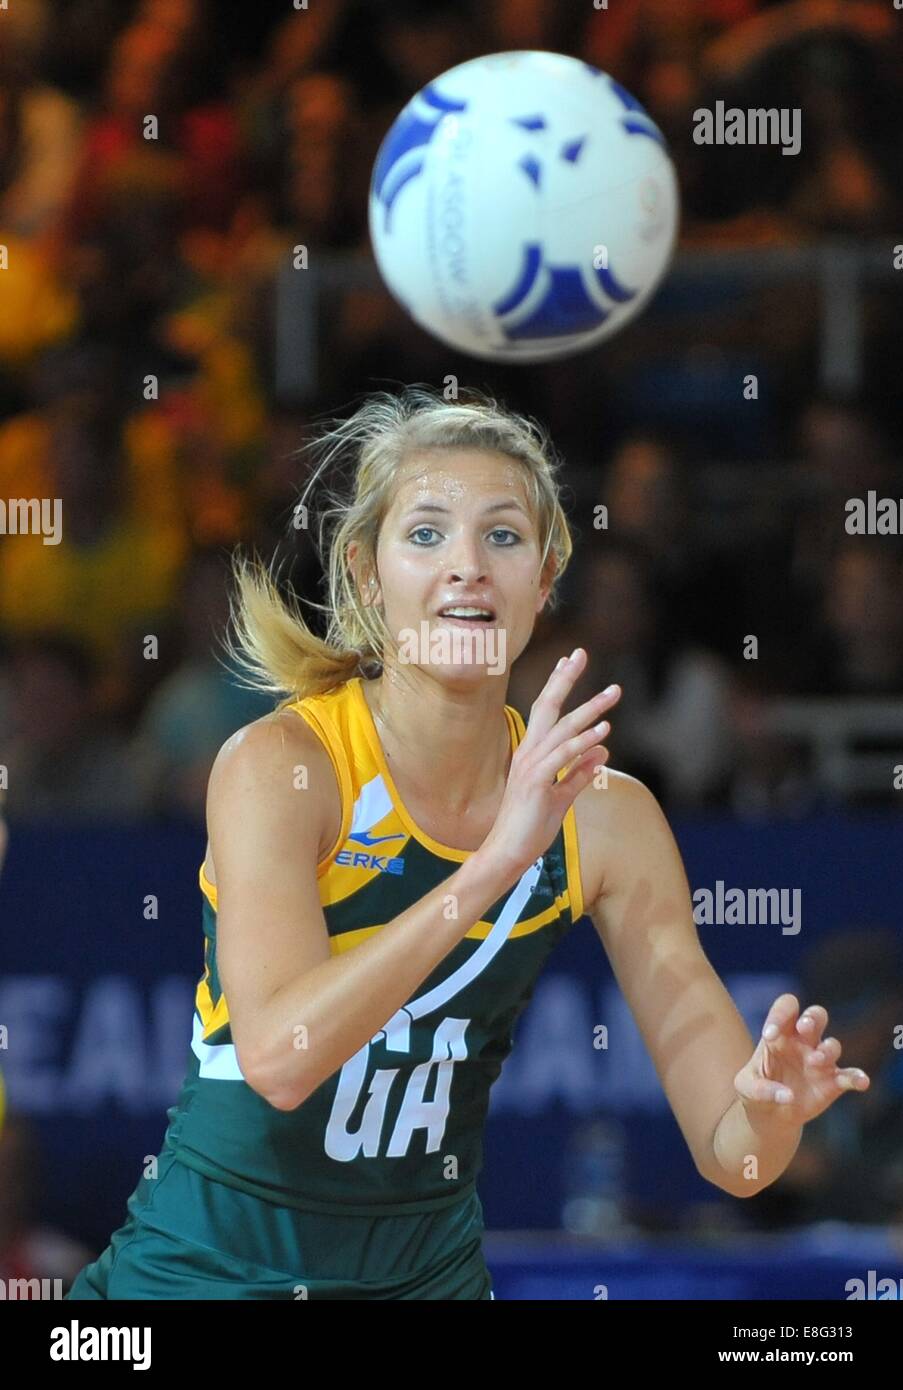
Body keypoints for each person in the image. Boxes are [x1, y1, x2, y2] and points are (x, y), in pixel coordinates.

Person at [67, 386, 870, 1300]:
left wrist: (769, 1110)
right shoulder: (283, 763)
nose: (467, 567)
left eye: (501, 536)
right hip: (200, 1276)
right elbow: (283, 1060)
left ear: (545, 577)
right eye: (425, 534)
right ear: (368, 575)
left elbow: (737, 1162)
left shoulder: (605, 816)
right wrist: (495, 863)